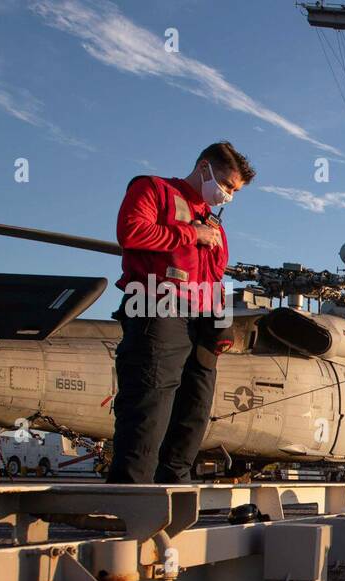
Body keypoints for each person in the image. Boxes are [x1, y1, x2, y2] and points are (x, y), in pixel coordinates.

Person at [108, 142, 255, 484]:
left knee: (196, 404)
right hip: (157, 304)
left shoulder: (213, 221)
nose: (228, 195)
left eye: (235, 191)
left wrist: (222, 322)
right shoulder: (153, 189)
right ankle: (130, 490)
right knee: (151, 399)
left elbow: (216, 275)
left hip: (205, 314)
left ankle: (175, 483)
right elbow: (130, 232)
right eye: (227, 185)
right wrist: (192, 234)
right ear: (204, 168)